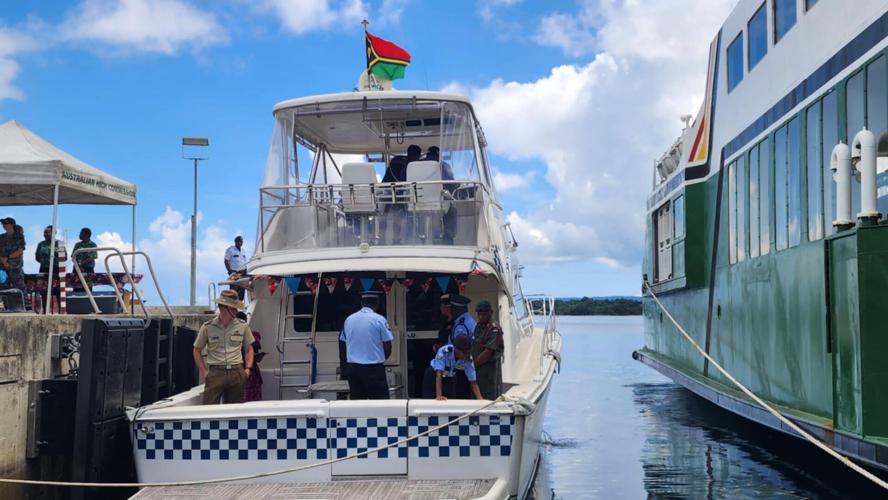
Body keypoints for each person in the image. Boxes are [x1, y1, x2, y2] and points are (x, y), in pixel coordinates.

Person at [192, 290, 255, 404]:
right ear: (223, 308)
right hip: (216, 372)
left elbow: (249, 349)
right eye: (233, 308)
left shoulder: (242, 326)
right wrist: (204, 372)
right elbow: (197, 350)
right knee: (209, 408)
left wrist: (248, 369)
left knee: (235, 409)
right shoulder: (207, 327)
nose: (236, 311)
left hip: (236, 372)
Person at [339, 291, 394, 399]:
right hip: (374, 369)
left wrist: (345, 366)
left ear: (361, 303)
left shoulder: (349, 320)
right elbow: (387, 346)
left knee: (358, 402)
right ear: (377, 303)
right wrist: (381, 359)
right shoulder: (379, 320)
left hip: (353, 369)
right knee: (380, 402)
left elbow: (343, 344)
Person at [422, 334, 484, 400]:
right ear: (456, 349)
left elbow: (473, 382)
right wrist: (439, 396)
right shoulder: (444, 351)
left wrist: (480, 399)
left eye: (468, 352)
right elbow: (439, 374)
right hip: (434, 376)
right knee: (430, 400)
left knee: (450, 400)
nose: (466, 355)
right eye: (464, 352)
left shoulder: (468, 359)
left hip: (449, 377)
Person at [471, 300, 504, 400]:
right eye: (479, 314)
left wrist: (473, 365)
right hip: (477, 370)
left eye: (484, 314)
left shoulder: (494, 329)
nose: (481, 317)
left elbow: (488, 353)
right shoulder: (479, 326)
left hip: (488, 370)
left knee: (488, 396)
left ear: (490, 312)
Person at [236, 311, 264, 402]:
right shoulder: (252, 335)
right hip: (240, 370)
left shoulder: (253, 335)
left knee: (251, 398)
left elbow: (255, 346)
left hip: (250, 371)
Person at [0, 217, 26, 292]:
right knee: (2, 288)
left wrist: (7, 258)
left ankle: (23, 300)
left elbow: (20, 251)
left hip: (15, 267)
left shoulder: (19, 237)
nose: (3, 225)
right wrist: (3, 261)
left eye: (5, 223)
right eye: (3, 224)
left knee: (19, 288)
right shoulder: (1, 237)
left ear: (11, 225)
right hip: (2, 267)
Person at [224, 236, 248, 301]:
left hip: (243, 273)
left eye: (241, 241)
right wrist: (229, 271)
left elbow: (244, 262)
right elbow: (226, 261)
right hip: (234, 273)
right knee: (233, 291)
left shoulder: (243, 251)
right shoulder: (230, 250)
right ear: (235, 242)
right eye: (238, 241)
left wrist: (246, 270)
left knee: (242, 291)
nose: (240, 243)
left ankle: (239, 304)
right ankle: (231, 304)